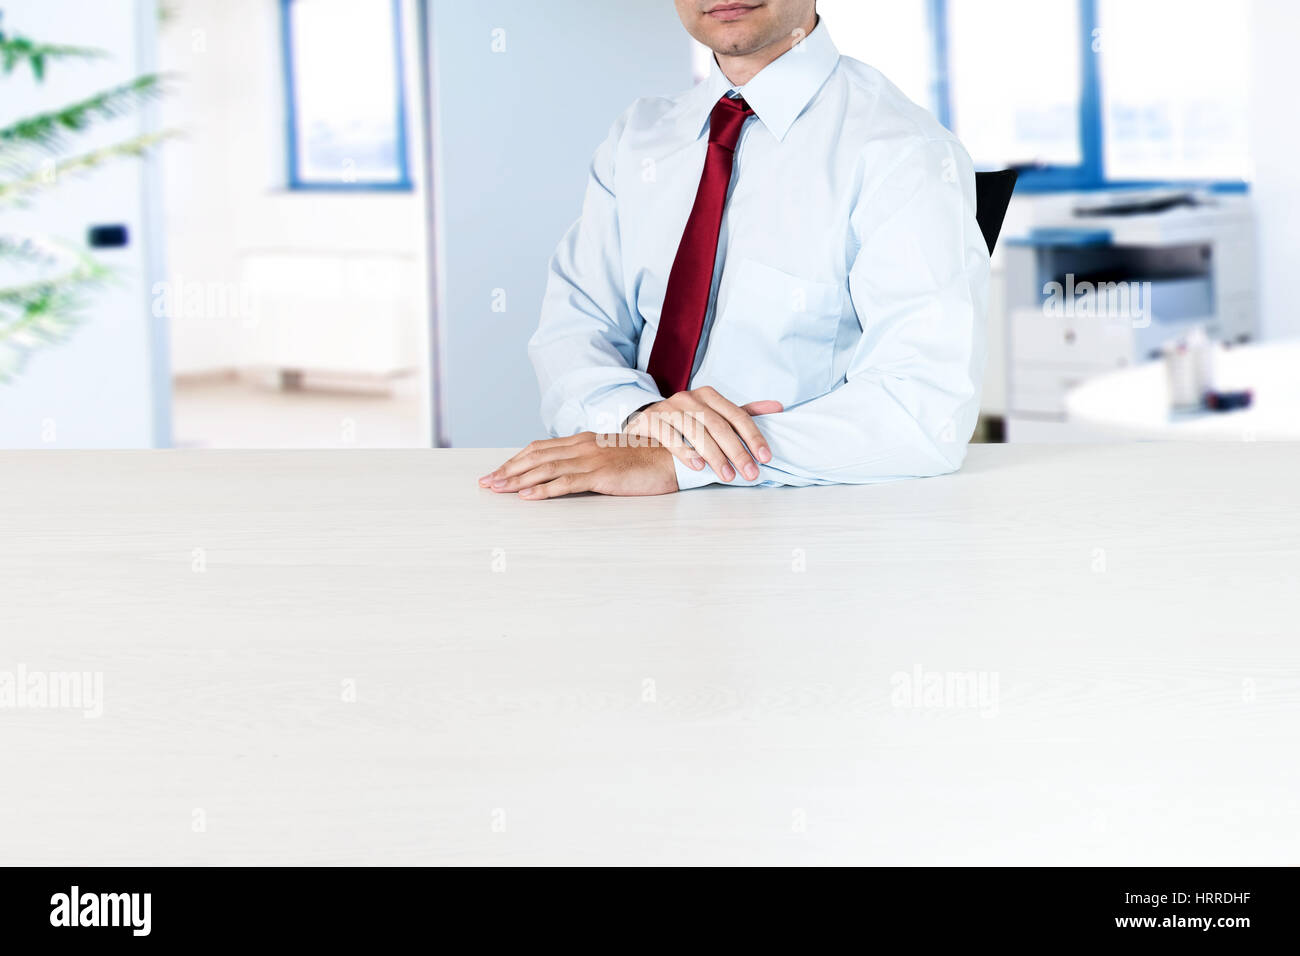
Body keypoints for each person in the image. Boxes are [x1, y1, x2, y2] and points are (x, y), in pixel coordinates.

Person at [479, 0, 988, 499]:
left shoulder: (903, 152)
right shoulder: (638, 139)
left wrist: (680, 459)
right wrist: (633, 420)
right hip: (620, 509)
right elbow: (574, 331)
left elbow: (924, 410)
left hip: (807, 523)